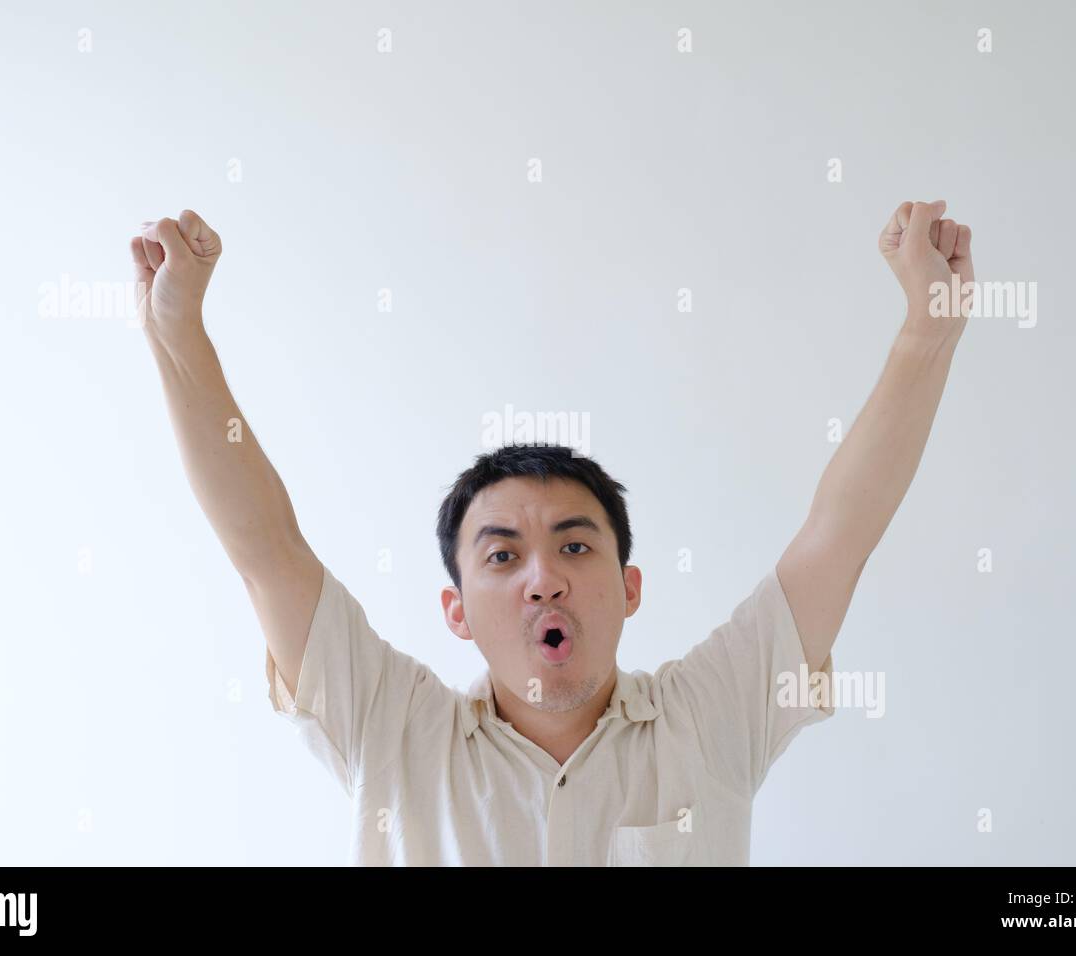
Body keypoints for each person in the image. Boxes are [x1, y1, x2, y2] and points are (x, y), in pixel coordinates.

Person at [130, 200, 973, 864]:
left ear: (630, 587)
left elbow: (839, 534)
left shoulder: (711, 717)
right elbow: (266, 551)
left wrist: (927, 331)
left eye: (575, 545)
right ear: (457, 610)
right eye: (503, 555)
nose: (544, 579)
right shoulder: (390, 729)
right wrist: (177, 333)